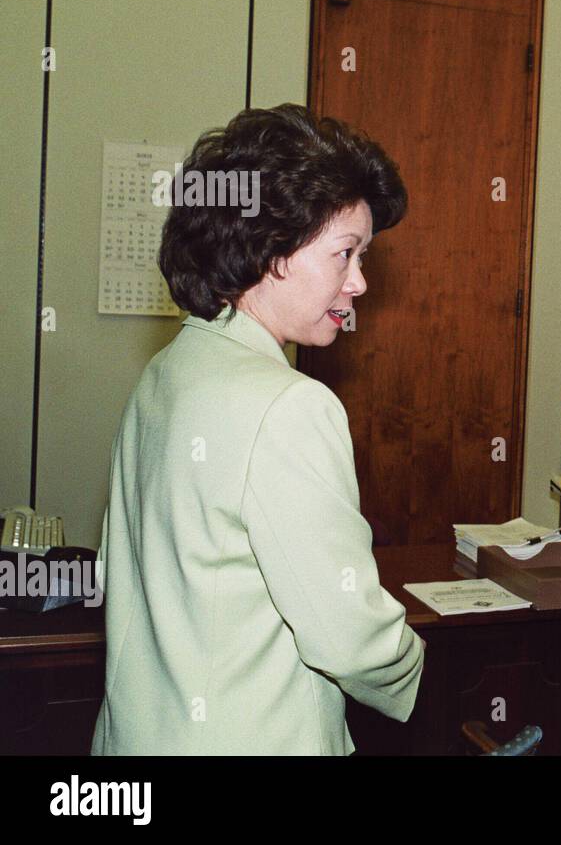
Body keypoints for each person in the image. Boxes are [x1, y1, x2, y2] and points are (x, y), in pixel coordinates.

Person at [92, 104, 424, 754]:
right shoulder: (290, 406)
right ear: (270, 250)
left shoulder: (165, 373)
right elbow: (349, 636)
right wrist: (415, 668)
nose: (358, 282)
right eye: (345, 253)